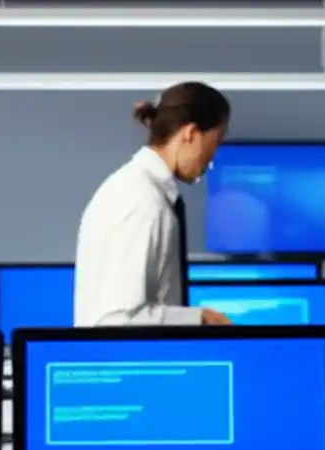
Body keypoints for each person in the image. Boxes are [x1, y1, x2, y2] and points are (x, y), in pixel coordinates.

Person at [74, 82, 232, 326]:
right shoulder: (143, 201)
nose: (213, 156)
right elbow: (117, 321)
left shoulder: (134, 187)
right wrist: (197, 319)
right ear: (190, 134)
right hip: (127, 362)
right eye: (216, 141)